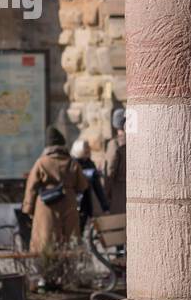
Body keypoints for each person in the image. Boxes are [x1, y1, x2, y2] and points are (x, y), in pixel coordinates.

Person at [22, 126, 90, 255]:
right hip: (69, 203)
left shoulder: (41, 162)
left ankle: (47, 270)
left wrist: (28, 209)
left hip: (46, 205)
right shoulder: (72, 163)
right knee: (69, 242)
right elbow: (83, 185)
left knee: (46, 241)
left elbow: (31, 187)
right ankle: (68, 271)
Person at [70, 137, 110, 235]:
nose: (89, 151)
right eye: (86, 149)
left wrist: (105, 206)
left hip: (86, 201)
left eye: (88, 149)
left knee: (84, 228)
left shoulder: (89, 163)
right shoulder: (72, 164)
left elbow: (98, 187)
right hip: (75, 201)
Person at [104, 107, 127, 215]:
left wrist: (106, 193)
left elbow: (110, 170)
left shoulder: (114, 144)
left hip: (118, 190)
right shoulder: (136, 141)